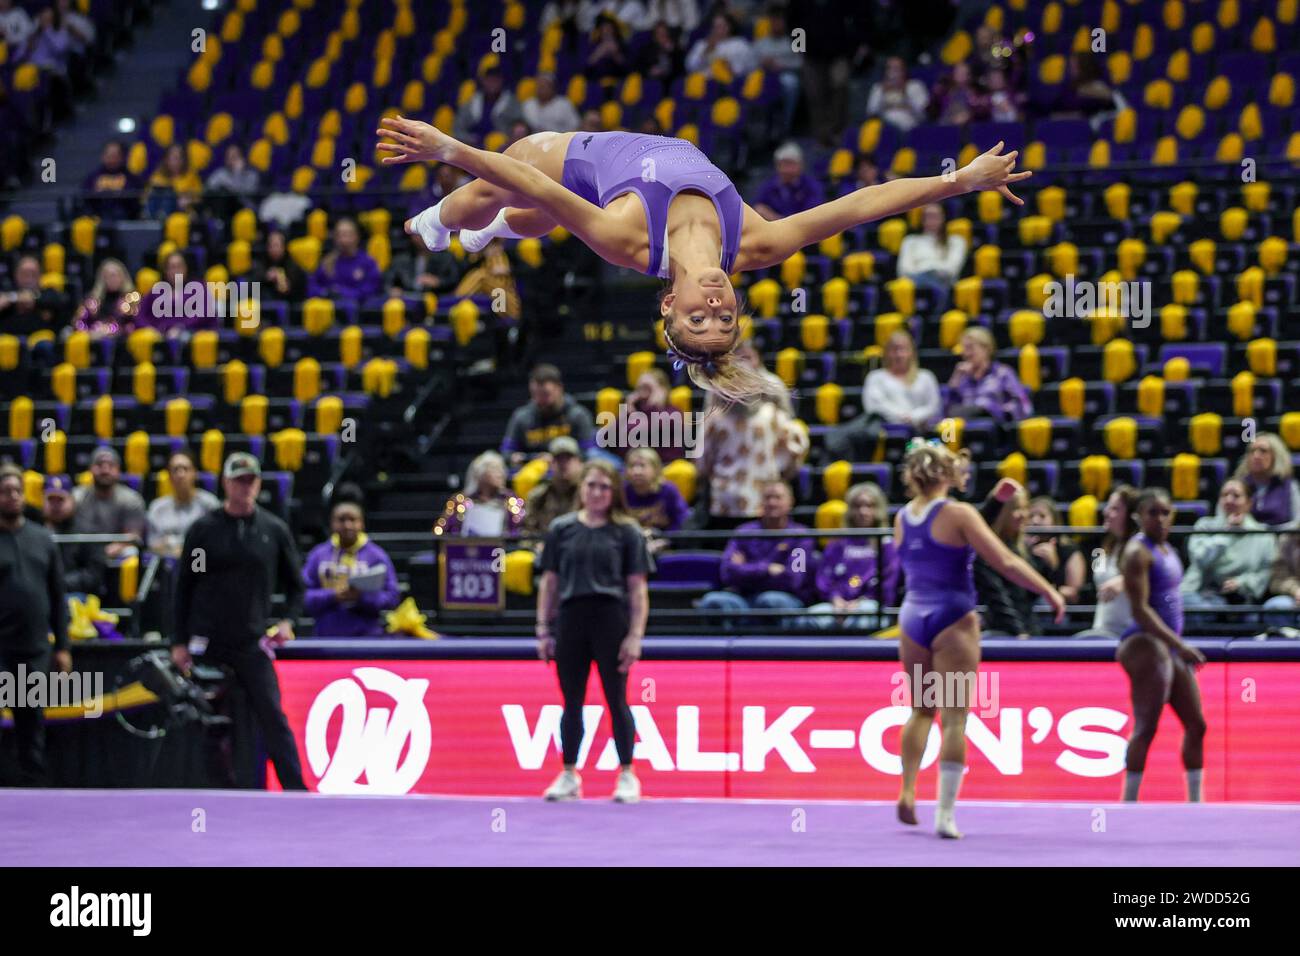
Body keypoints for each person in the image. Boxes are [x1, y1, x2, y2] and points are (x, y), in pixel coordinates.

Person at [381, 114, 1030, 404]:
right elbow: (860, 207)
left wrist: (448, 148)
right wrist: (956, 182)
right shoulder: (755, 244)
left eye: (700, 320)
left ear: (670, 303)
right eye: (726, 321)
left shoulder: (631, 243)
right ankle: (483, 236)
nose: (717, 309)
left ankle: (440, 228)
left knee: (507, 186)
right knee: (528, 219)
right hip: (602, 190)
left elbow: (541, 185)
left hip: (585, 162)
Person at [893, 442, 1064, 837]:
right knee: (955, 719)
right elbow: (1004, 560)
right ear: (947, 475)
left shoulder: (902, 517)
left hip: (913, 616)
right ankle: (945, 813)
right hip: (953, 618)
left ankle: (906, 791)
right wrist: (1047, 591)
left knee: (920, 710)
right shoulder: (959, 513)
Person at [171, 452, 306, 790]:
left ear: (258, 484)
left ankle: (297, 792)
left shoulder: (273, 530)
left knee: (273, 717)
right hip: (209, 642)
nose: (244, 487)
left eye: (250, 481)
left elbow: (296, 586)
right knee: (209, 722)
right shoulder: (204, 531)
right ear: (225, 483)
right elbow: (183, 587)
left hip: (251, 641)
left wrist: (288, 621)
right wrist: (178, 641)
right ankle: (215, 792)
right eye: (238, 480)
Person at [536, 459, 649, 803]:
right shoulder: (561, 529)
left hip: (610, 619)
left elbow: (637, 589)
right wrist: (542, 627)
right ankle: (569, 773)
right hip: (571, 618)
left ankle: (627, 774)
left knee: (617, 700)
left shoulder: (628, 532)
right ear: (581, 489)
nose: (597, 492)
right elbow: (550, 582)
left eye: (604, 486)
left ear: (613, 492)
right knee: (571, 701)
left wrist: (635, 635)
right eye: (591, 485)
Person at [1116, 487, 1206, 802]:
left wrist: (1175, 645)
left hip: (1167, 645)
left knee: (1197, 725)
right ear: (1139, 516)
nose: (1161, 518)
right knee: (1146, 726)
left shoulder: (1168, 550)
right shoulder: (1136, 552)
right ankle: (1128, 803)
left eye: (1166, 512)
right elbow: (1141, 609)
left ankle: (1196, 804)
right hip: (1144, 643)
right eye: (1153, 512)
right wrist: (1177, 643)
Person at [0, 464, 71, 786]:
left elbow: (58, 597)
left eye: (17, 491)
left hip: (33, 650)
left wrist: (63, 647)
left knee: (31, 724)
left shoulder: (42, 539)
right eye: (5, 492)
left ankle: (33, 792)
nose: (12, 497)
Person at [695, 344, 807, 527]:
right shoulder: (714, 419)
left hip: (762, 497)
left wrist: (783, 473)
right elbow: (703, 458)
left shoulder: (773, 415)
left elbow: (794, 447)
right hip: (725, 500)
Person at [697, 480, 815, 623]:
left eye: (778, 498)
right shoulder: (743, 532)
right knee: (713, 601)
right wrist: (767, 569)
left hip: (785, 598)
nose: (772, 503)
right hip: (743, 597)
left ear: (791, 502)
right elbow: (727, 572)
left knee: (769, 601)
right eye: (767, 498)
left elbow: (794, 578)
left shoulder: (801, 536)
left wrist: (745, 569)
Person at [824, 328, 940, 462]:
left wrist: (913, 417)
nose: (899, 354)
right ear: (887, 353)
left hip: (919, 432)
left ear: (912, 352)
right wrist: (901, 417)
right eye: (894, 350)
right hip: (882, 434)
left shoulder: (925, 376)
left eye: (903, 349)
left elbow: (933, 406)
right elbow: (873, 406)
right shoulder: (875, 377)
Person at [303, 496, 400, 637]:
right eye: (341, 520)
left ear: (362, 523)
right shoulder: (318, 555)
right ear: (332, 523)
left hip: (368, 638)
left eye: (353, 520)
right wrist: (333, 595)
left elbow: (392, 596)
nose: (347, 525)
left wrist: (361, 597)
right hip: (326, 637)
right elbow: (303, 596)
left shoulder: (377, 555)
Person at [805, 482, 898, 630]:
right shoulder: (837, 542)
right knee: (810, 617)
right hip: (836, 604)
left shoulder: (886, 544)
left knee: (862, 617)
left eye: (869, 506)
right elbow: (824, 577)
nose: (863, 511)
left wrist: (860, 601)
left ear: (878, 510)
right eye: (857, 506)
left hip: (871, 605)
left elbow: (888, 584)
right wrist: (835, 599)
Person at [1180, 478, 1276, 613]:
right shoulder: (1204, 525)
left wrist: (1241, 583)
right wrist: (1226, 533)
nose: (1229, 500)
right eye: (1224, 495)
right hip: (1200, 593)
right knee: (1183, 602)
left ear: (1249, 503)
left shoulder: (1262, 534)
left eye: (1236, 496)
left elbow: (1264, 573)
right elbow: (1201, 561)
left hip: (1241, 599)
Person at [973, 483, 1041, 638]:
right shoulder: (989, 551)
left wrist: (1049, 565)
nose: (1023, 514)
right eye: (1017, 509)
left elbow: (1030, 597)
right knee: (918, 664)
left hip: (1029, 628)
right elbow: (997, 596)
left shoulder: (1023, 548)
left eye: (1025, 508)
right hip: (1004, 632)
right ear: (1003, 513)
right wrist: (1018, 633)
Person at [1075, 484, 1140, 638]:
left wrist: (1125, 581)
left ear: (1131, 515)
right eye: (1108, 507)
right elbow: (1096, 580)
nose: (1106, 512)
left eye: (1115, 509)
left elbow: (1153, 574)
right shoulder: (1101, 549)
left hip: (1130, 634)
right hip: (1102, 629)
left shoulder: (1141, 547)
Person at [501, 364, 596, 466]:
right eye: (535, 394)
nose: (539, 400)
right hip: (529, 473)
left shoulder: (578, 415)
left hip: (566, 472)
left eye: (545, 394)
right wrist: (512, 457)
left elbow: (589, 453)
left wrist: (558, 459)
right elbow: (506, 451)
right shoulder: (521, 416)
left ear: (559, 388)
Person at [944, 326, 1032, 423]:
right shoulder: (962, 378)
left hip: (996, 430)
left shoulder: (1003, 373)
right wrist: (955, 380)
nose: (966, 353)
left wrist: (996, 411)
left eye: (970, 348)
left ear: (986, 348)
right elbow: (947, 412)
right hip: (967, 429)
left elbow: (1023, 406)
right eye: (964, 349)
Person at [72, 446, 146, 558]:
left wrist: (109, 550)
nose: (105, 470)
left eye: (111, 465)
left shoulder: (132, 499)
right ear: (90, 469)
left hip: (116, 553)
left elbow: (133, 536)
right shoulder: (77, 497)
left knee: (131, 552)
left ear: (118, 470)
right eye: (99, 465)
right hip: (82, 552)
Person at [434, 450, 527, 537]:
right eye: (495, 469)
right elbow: (441, 532)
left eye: (502, 469)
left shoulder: (510, 499)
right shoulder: (461, 500)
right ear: (480, 474)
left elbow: (521, 531)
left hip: (502, 551)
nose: (501, 473)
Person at [146, 449, 220, 559]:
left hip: (201, 564)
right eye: (175, 470)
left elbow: (216, 541)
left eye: (185, 469)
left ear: (194, 473)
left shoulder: (210, 504)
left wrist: (176, 546)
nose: (180, 474)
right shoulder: (157, 508)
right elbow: (153, 545)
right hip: (167, 565)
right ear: (169, 476)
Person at [41, 473, 105, 598]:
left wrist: (59, 583)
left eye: (61, 500)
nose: (55, 505)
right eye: (50, 499)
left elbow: (93, 574)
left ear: (72, 501)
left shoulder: (88, 532)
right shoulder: (34, 531)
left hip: (75, 594)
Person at [623, 447, 689, 555]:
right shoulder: (622, 492)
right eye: (632, 466)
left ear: (656, 468)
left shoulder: (668, 490)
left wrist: (666, 541)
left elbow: (681, 521)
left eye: (642, 466)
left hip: (664, 545)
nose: (637, 471)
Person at [752, 4, 803, 139]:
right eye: (773, 20)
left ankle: (785, 126)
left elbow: (801, 62)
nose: (776, 24)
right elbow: (751, 63)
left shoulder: (795, 39)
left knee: (791, 84)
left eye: (779, 20)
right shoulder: (762, 42)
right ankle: (759, 128)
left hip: (785, 75)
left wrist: (781, 65)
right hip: (764, 77)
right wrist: (763, 63)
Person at [897, 203, 967, 297]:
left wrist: (924, 268)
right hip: (916, 290)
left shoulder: (956, 241)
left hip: (946, 290)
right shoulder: (910, 240)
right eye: (928, 215)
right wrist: (933, 269)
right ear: (922, 218)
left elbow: (952, 270)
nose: (932, 219)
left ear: (944, 217)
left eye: (935, 215)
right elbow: (904, 271)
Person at [1026, 496, 1086, 604]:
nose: (1035, 521)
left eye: (1042, 516)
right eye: (1031, 516)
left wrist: (1054, 565)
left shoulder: (1068, 549)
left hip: (1058, 609)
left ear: (1055, 521)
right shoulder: (1023, 548)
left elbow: (1073, 595)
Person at [523, 436, 584, 542]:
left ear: (579, 462)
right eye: (558, 458)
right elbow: (528, 533)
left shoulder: (588, 495)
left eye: (568, 458)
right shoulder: (538, 496)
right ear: (551, 464)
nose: (563, 464)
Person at [1234, 432, 1300, 529]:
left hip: (1281, 540)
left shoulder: (1288, 486)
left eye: (1263, 451)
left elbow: (1297, 522)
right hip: (1245, 539)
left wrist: (1268, 532)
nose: (1256, 455)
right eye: (1252, 451)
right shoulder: (1238, 486)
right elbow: (1224, 519)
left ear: (1276, 456)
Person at [307, 217, 382, 301]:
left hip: (356, 308)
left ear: (356, 237)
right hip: (329, 306)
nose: (343, 240)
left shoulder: (368, 262)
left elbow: (370, 290)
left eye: (347, 235)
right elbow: (312, 286)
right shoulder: (327, 262)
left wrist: (342, 292)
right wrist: (326, 293)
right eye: (340, 235)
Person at [623, 367, 686, 463]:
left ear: (662, 389)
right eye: (640, 387)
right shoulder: (633, 410)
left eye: (647, 387)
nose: (642, 391)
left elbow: (643, 430)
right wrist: (627, 411)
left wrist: (653, 406)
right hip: (633, 463)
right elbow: (608, 436)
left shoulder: (673, 412)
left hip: (665, 464)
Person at [453, 64, 523, 147]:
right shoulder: (472, 101)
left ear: (501, 81)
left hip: (500, 145)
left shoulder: (511, 102)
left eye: (495, 80)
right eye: (489, 80)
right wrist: (468, 138)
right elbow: (459, 126)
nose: (492, 83)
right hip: (473, 143)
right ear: (483, 81)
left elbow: (518, 125)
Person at [752, 142, 826, 221]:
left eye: (790, 164)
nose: (786, 170)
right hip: (773, 231)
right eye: (782, 164)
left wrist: (777, 219)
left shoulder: (812, 186)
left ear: (800, 165)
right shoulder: (769, 186)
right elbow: (758, 207)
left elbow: (812, 215)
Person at [0, 254, 69, 336]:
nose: (29, 278)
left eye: (33, 274)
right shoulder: (5, 293)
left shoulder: (49, 293)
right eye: (24, 274)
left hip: (42, 343)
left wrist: (33, 299)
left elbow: (62, 304)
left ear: (40, 276)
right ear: (16, 275)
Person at [72, 258, 140, 337]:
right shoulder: (93, 301)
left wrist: (116, 330)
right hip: (96, 339)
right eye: (108, 276)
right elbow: (79, 323)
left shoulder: (132, 298)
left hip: (123, 340)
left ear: (123, 277)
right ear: (102, 279)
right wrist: (95, 331)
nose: (113, 280)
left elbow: (137, 323)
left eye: (116, 276)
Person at [80, 140, 142, 221]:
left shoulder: (131, 178)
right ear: (103, 156)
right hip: (98, 217)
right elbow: (85, 196)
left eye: (115, 156)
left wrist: (119, 194)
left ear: (123, 157)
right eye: (109, 155)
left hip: (125, 218)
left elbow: (135, 201)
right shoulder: (93, 177)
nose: (112, 159)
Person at [866, 56, 929, 133]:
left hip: (909, 129)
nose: (893, 72)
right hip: (884, 130)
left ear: (904, 70)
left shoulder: (915, 86)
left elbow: (923, 115)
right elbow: (871, 112)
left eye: (896, 68)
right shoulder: (879, 87)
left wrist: (905, 93)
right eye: (890, 68)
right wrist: (882, 93)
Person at [684, 11, 755, 78]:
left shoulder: (740, 43)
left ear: (730, 27)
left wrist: (731, 67)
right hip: (705, 81)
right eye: (715, 27)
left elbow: (751, 66)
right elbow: (690, 67)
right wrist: (705, 51)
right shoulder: (702, 44)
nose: (718, 30)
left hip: (731, 80)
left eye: (721, 26)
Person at [142, 143, 203, 220]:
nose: (175, 162)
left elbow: (199, 197)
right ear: (166, 160)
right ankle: (155, 220)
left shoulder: (191, 175)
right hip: (158, 210)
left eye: (178, 158)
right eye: (172, 158)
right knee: (163, 194)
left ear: (184, 159)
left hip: (183, 210)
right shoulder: (158, 176)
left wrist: (189, 200)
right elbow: (145, 198)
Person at [204, 143, 261, 221]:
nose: (230, 159)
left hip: (244, 210)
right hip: (224, 210)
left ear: (242, 158)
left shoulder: (252, 175)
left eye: (234, 156)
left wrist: (238, 173)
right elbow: (207, 189)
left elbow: (245, 196)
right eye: (228, 156)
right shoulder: (220, 174)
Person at [928, 61, 988, 126]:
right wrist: (935, 95)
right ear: (953, 74)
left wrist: (969, 114)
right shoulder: (944, 92)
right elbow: (932, 110)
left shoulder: (975, 92)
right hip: (944, 127)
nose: (960, 76)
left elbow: (982, 110)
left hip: (966, 129)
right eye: (958, 72)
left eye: (963, 73)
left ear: (969, 76)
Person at [256, 229, 309, 302]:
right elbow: (253, 288)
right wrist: (266, 277)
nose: (273, 249)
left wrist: (281, 280)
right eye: (270, 246)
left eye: (276, 245)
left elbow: (297, 291)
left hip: (289, 304)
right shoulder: (261, 263)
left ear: (284, 247)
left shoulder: (293, 265)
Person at [634, 20, 686, 92]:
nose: (662, 36)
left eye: (664, 33)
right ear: (655, 36)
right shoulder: (647, 50)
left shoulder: (676, 50)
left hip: (670, 83)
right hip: (651, 83)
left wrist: (672, 52)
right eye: (659, 34)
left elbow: (681, 69)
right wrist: (650, 71)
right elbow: (638, 67)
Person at [1264, 533, 1300, 627]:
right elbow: (1277, 580)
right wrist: (1295, 590)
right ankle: (1287, 638)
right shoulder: (1287, 539)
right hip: (1293, 596)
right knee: (1274, 606)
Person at [585, 13, 630, 84]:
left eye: (609, 28)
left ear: (614, 30)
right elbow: (585, 68)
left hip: (617, 83)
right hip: (596, 82)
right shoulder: (593, 45)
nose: (607, 31)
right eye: (604, 28)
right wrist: (599, 52)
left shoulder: (622, 45)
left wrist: (616, 54)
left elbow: (628, 69)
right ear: (600, 31)